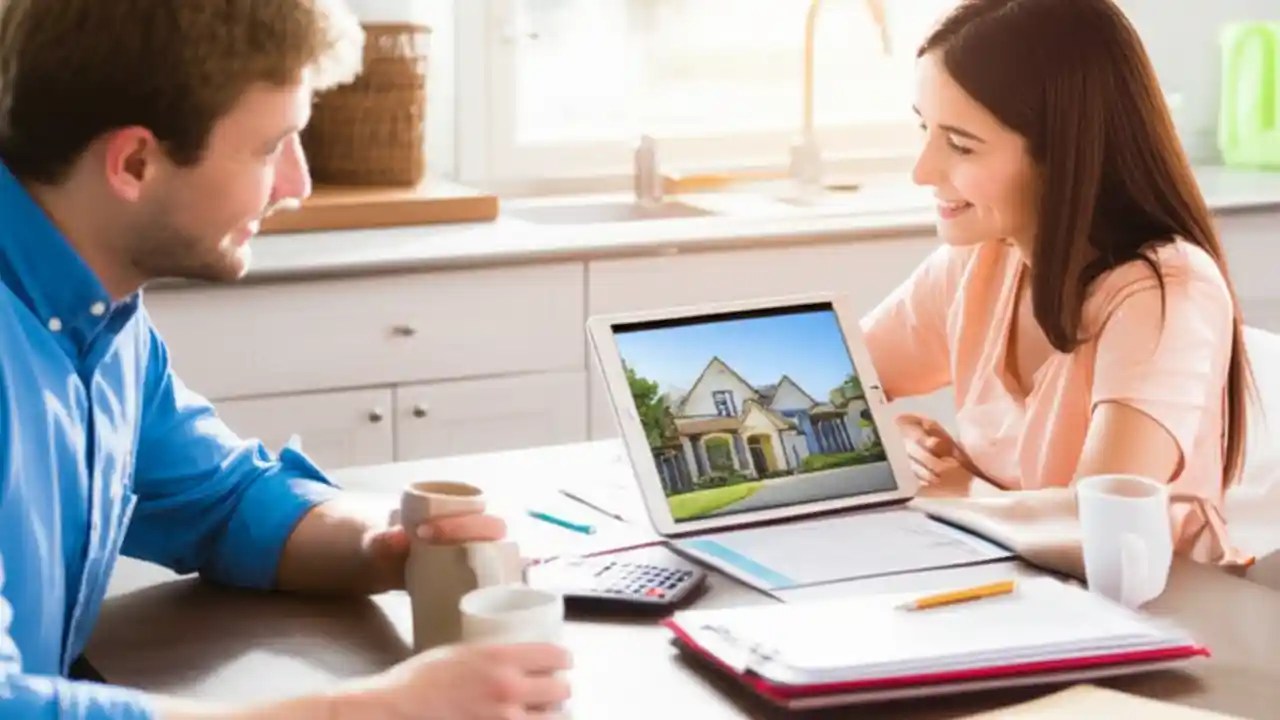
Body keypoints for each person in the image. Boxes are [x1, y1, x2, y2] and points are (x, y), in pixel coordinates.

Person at [0, 1, 570, 718]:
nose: (296, 185)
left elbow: (222, 500)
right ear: (136, 162)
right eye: (272, 147)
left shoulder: (101, 321)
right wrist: (365, 711)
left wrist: (382, 545)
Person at [862, 0, 1254, 565]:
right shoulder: (981, 261)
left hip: (1159, 614)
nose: (922, 170)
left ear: (1064, 154)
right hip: (1016, 589)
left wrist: (948, 496)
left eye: (960, 144)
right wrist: (892, 447)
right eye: (925, 129)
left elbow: (1106, 523)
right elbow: (837, 388)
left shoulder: (1163, 290)